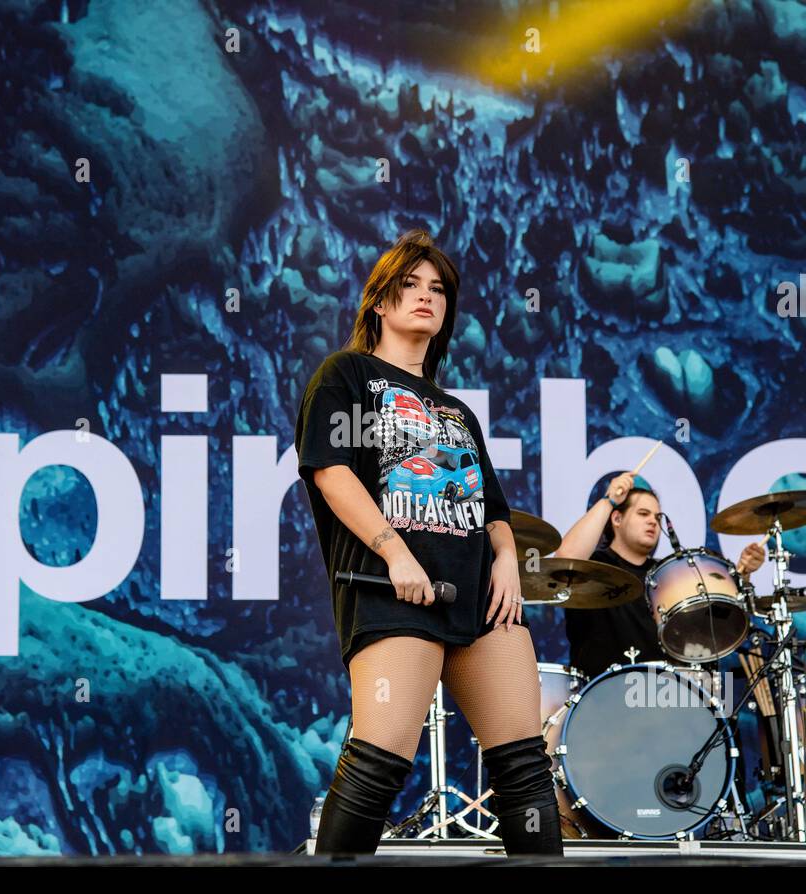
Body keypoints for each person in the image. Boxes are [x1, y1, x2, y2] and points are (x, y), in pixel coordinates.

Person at [294, 228, 563, 857]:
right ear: (379, 303)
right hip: (394, 593)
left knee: (525, 768)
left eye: (437, 288)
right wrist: (395, 551)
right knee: (379, 761)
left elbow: (493, 509)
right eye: (409, 285)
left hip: (477, 599)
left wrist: (503, 558)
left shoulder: (455, 411)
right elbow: (331, 473)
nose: (425, 296)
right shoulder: (349, 375)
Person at [556, 473, 766, 680]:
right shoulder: (592, 566)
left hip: (660, 695)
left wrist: (742, 574)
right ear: (617, 518)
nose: (653, 522)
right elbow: (566, 558)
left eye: (657, 517)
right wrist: (609, 500)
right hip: (599, 697)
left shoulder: (667, 575)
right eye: (643, 514)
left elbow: (709, 624)